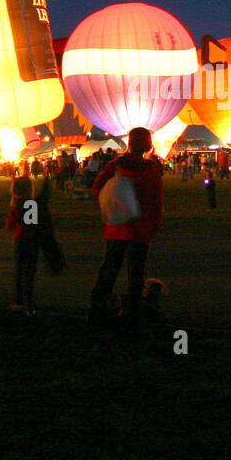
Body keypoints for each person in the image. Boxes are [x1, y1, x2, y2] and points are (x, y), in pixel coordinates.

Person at [89, 127, 164, 325]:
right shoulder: (152, 170)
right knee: (136, 272)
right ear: (148, 144)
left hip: (117, 228)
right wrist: (154, 226)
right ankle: (133, 312)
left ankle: (98, 305)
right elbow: (157, 202)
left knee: (110, 267)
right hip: (141, 229)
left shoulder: (115, 166)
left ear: (129, 143)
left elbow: (97, 188)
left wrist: (111, 208)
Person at [6, 177, 40, 315]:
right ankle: (30, 305)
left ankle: (19, 302)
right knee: (29, 274)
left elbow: (9, 225)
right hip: (32, 242)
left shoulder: (16, 205)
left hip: (21, 241)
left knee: (19, 273)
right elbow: (33, 223)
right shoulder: (32, 204)